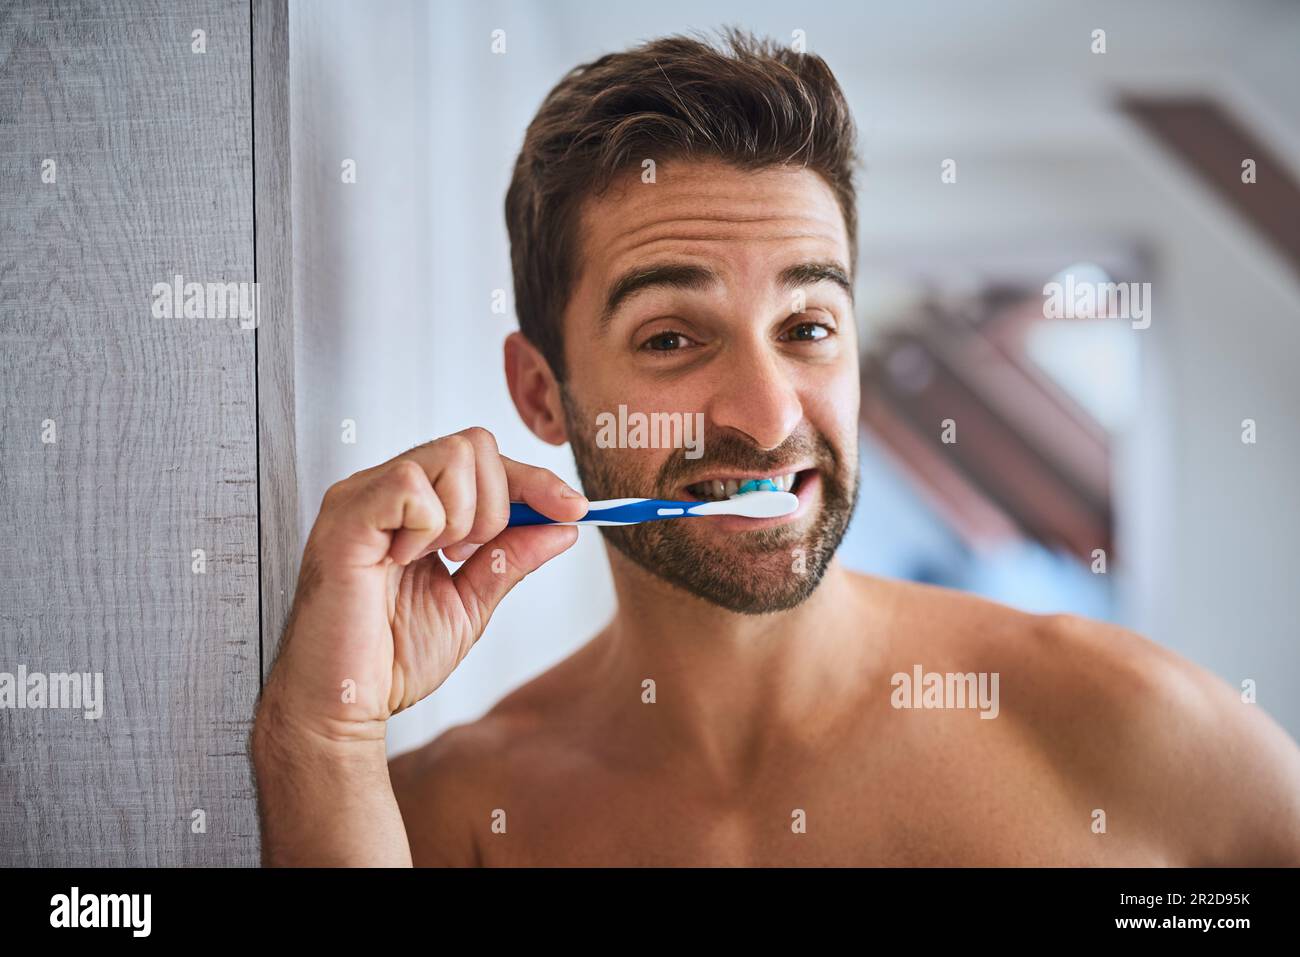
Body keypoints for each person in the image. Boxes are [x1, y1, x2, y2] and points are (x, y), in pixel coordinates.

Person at [251, 29, 1300, 866]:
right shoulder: (447, 822)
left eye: (807, 327)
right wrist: (323, 740)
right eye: (671, 337)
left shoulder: (1133, 732)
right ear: (542, 392)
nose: (765, 415)